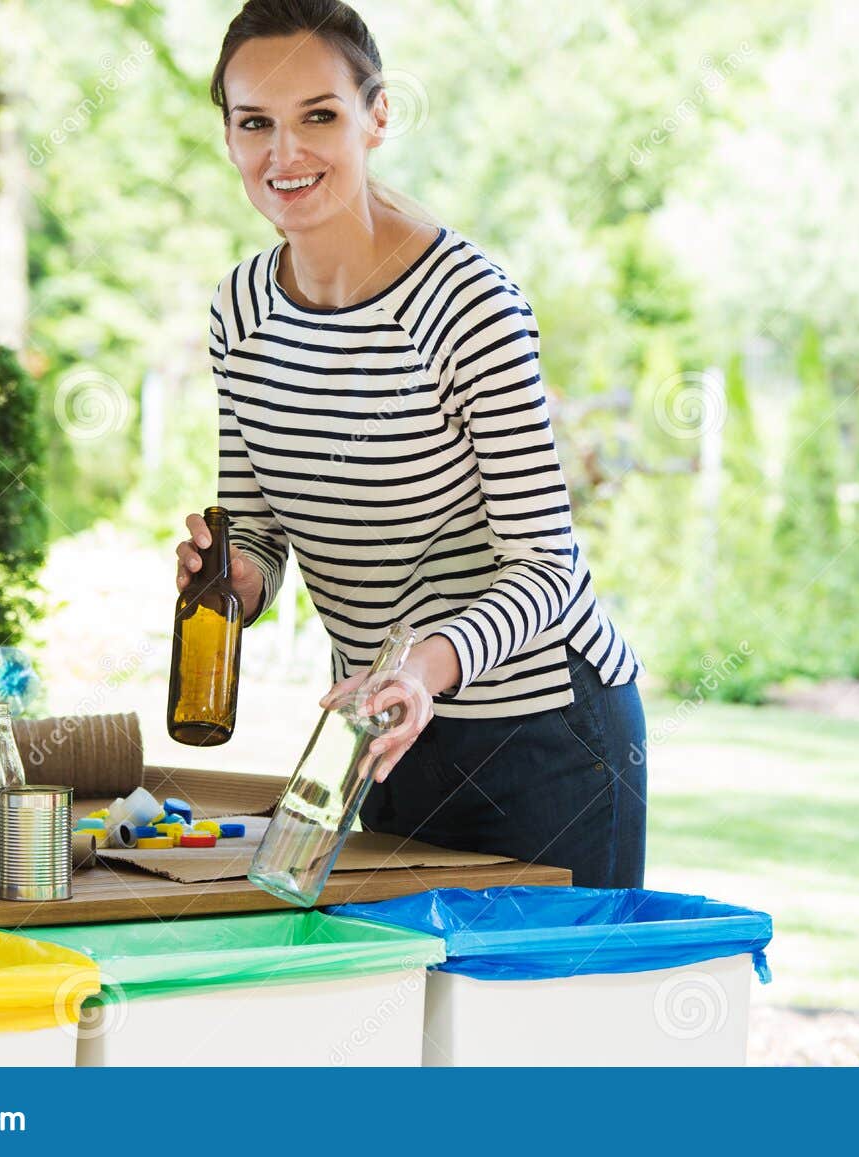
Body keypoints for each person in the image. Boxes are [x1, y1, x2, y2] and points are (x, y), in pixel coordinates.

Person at [175, 0, 646, 888]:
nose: (286, 155)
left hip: (541, 733)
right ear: (229, 135)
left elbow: (547, 564)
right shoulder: (238, 309)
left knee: (540, 1022)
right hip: (382, 728)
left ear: (377, 115)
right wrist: (238, 579)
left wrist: (425, 670)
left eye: (320, 115)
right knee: (398, 1020)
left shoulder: (468, 304)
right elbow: (263, 530)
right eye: (255, 124)